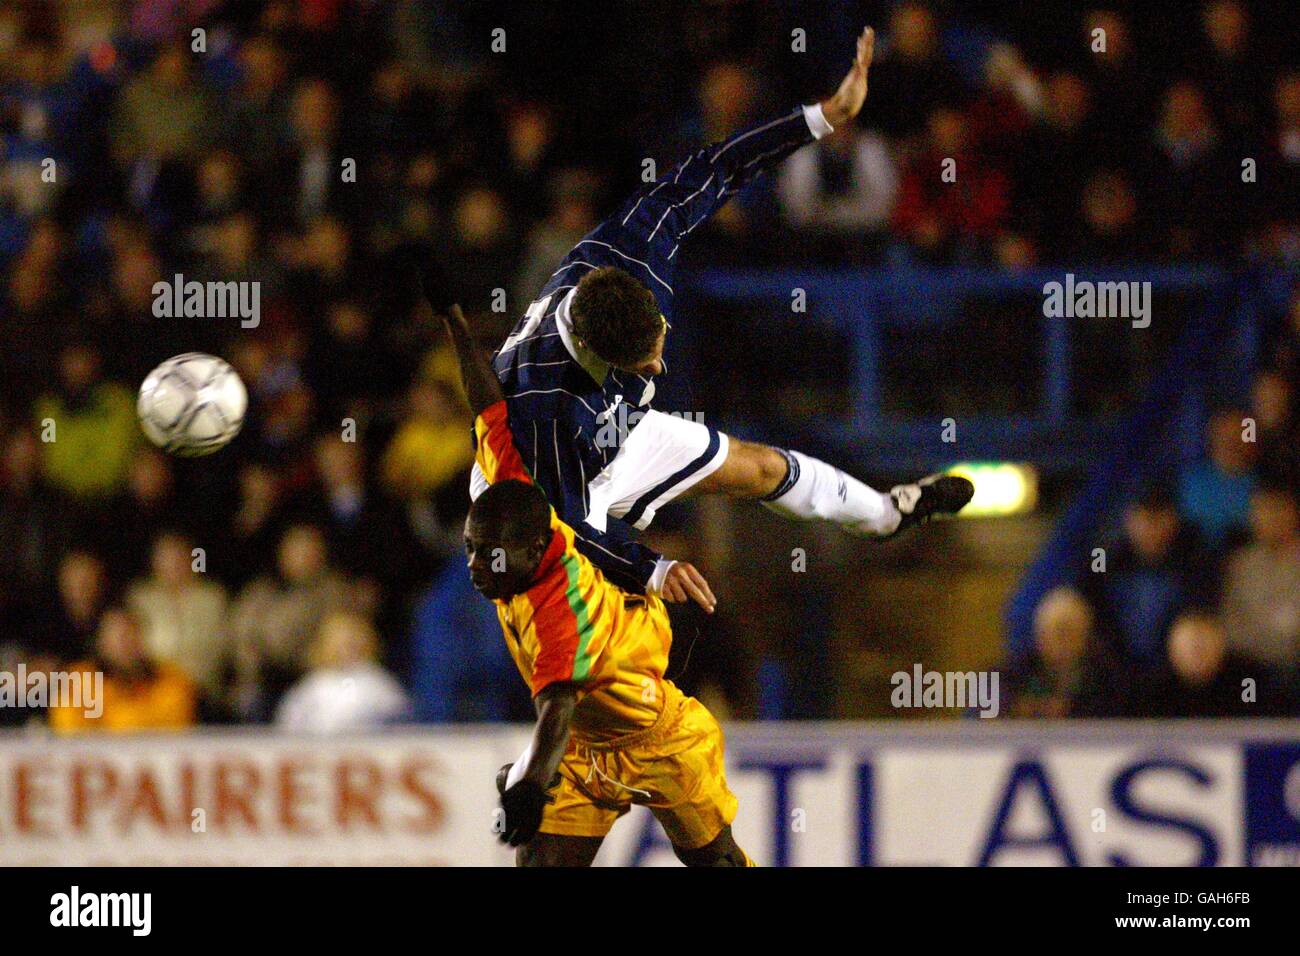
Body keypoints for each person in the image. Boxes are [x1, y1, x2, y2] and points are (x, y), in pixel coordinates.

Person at [428, 26, 972, 606]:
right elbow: (566, 528)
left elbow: (719, 166)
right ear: (599, 357)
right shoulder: (543, 411)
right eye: (645, 363)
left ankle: (887, 513)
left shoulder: (635, 245)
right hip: (537, 492)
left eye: (659, 342)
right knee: (579, 610)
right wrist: (652, 568)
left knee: (760, 469)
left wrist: (821, 117)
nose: (659, 368)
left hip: (612, 431)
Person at [441, 301, 753, 867]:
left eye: (492, 557)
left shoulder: (559, 606)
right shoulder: (514, 495)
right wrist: (454, 318)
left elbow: (557, 706)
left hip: (655, 735)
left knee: (717, 862)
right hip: (584, 744)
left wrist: (529, 787)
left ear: (535, 553)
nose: (477, 567)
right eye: (471, 550)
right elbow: (488, 403)